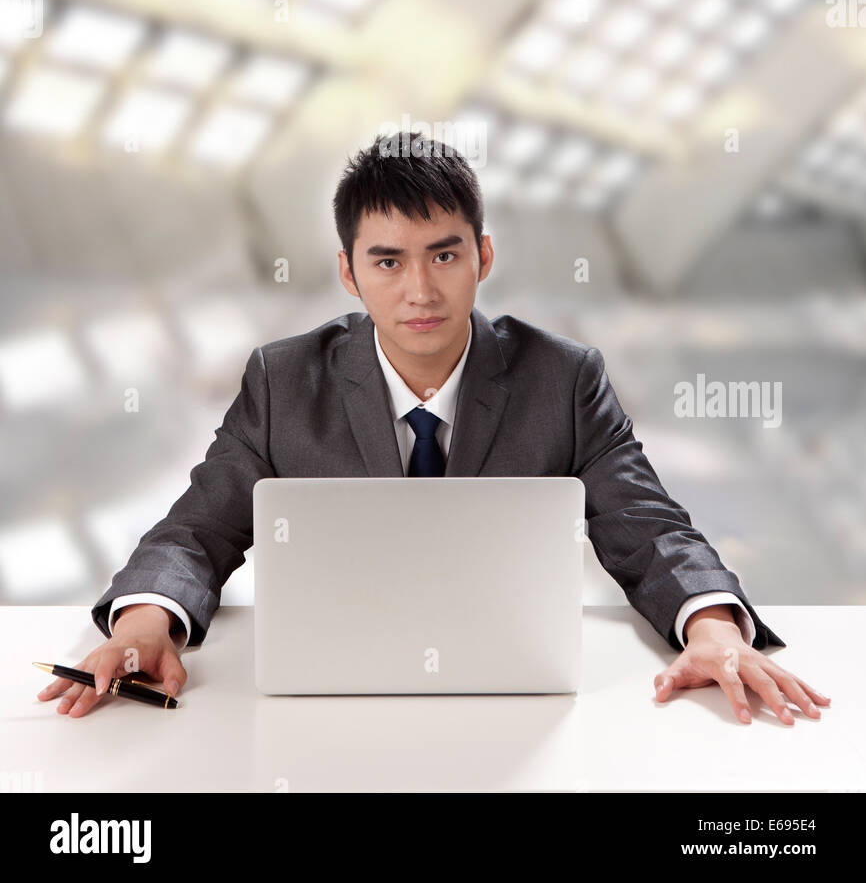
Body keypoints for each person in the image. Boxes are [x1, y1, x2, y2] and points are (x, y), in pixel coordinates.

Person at [39, 133, 830, 725]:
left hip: (516, 709)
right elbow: (196, 531)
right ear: (349, 273)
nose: (419, 289)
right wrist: (145, 625)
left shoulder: (563, 377)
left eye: (443, 255)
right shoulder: (284, 381)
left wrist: (716, 627)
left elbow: (647, 525)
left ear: (482, 257)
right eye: (387, 262)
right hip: (328, 709)